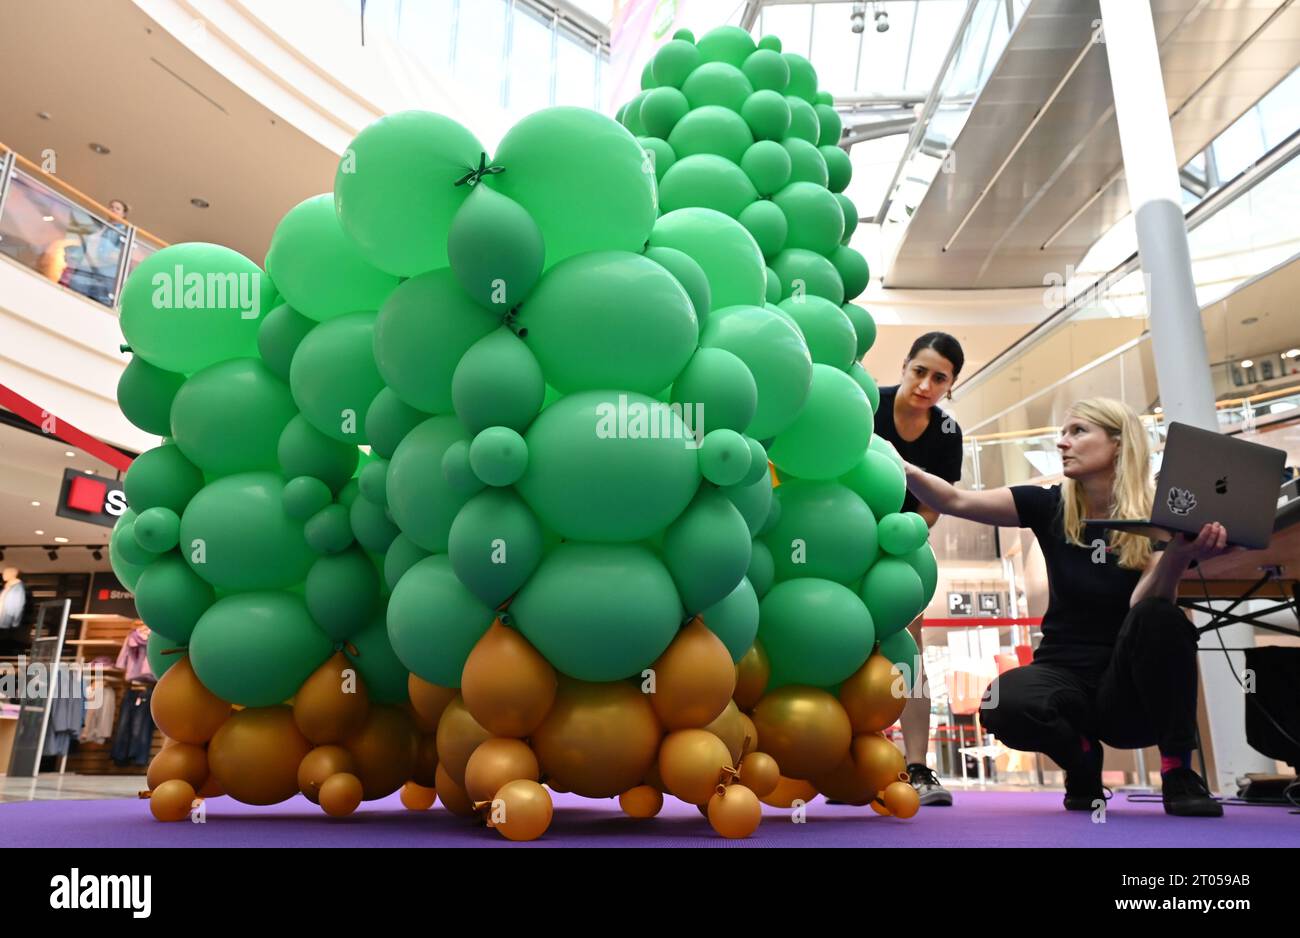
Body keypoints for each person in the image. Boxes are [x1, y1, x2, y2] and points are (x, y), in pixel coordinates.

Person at [901, 397, 1229, 817]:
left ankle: (1178, 772)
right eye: (1063, 432)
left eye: (1078, 432)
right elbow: (955, 501)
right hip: (1063, 673)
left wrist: (1177, 556)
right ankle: (1083, 762)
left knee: (1161, 617)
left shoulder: (1160, 518)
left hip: (1127, 691)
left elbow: (1140, 605)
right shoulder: (1049, 505)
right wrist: (905, 468)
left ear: (1117, 443)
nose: (1062, 443)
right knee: (1001, 701)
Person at [875, 332, 965, 806]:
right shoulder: (870, 406)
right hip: (842, 541)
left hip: (903, 547)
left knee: (909, 654)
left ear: (951, 385)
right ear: (905, 366)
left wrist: (899, 535)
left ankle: (917, 767)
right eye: (920, 371)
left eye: (939, 378)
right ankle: (849, 759)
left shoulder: (947, 433)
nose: (926, 384)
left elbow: (936, 505)